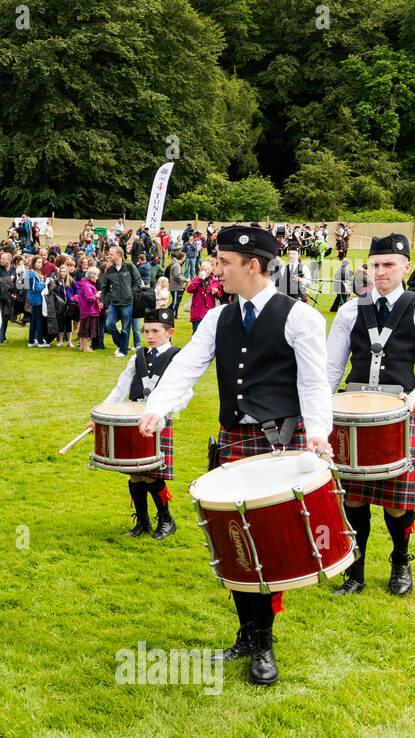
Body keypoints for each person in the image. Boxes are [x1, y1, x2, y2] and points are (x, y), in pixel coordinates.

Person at [139, 225, 333, 686]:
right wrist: (157, 408)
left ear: (253, 265)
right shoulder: (216, 318)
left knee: (267, 544)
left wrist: (320, 433)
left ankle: (262, 644)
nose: (215, 269)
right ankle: (249, 634)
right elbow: (187, 367)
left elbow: (313, 382)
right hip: (233, 439)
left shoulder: (300, 317)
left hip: (281, 442)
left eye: (224, 262)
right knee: (235, 541)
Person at [326, 233, 415, 598]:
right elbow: (332, 367)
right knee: (352, 498)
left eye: (389, 264)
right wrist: (322, 408)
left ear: (406, 267)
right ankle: (355, 572)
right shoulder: (349, 309)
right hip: (350, 415)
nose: (380, 271)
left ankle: (400, 561)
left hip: (398, 414)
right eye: (375, 264)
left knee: (396, 503)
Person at [95, 306, 187, 538]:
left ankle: (166, 519)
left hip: (159, 422)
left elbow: (184, 393)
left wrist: (164, 412)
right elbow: (121, 387)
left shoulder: (178, 357)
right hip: (133, 420)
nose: (149, 336)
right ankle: (143, 523)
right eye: (146, 331)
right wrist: (99, 416)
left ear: (170, 332)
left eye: (155, 331)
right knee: (135, 473)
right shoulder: (138, 357)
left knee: (152, 474)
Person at [98, 245, 140, 357]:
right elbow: (104, 287)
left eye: (111, 254)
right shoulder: (110, 270)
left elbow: (137, 282)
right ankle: (121, 344)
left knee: (126, 328)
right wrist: (101, 300)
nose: (109, 255)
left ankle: (123, 351)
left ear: (119, 255)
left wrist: (131, 292)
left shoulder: (130, 267)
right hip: (114, 303)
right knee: (109, 324)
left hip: (127, 303)